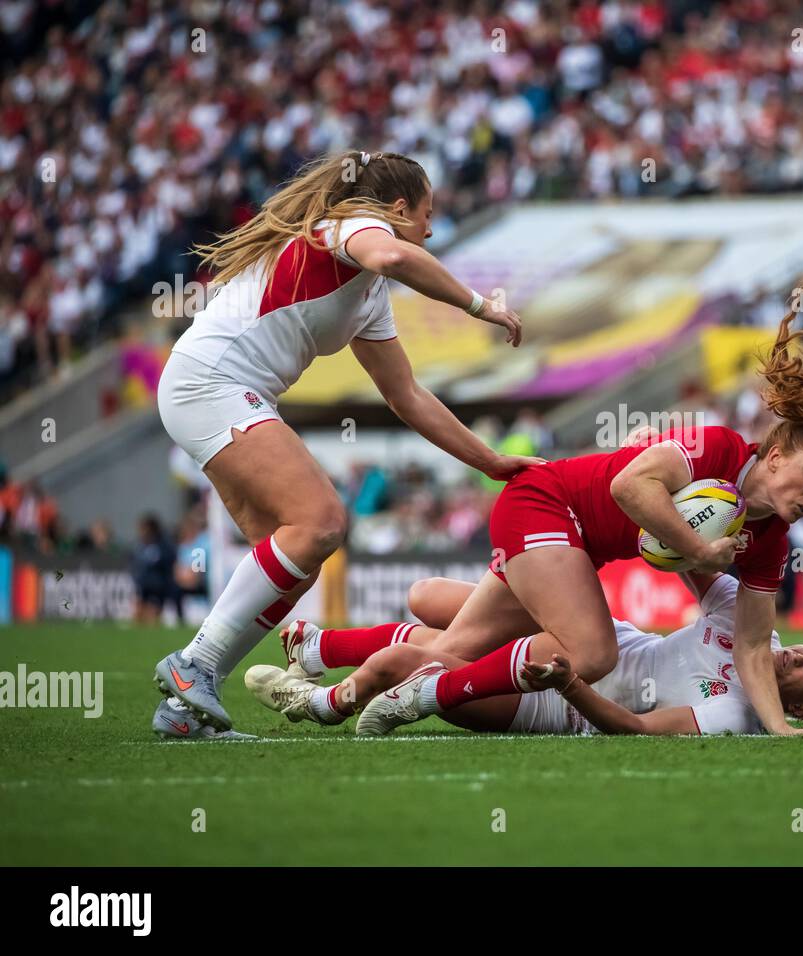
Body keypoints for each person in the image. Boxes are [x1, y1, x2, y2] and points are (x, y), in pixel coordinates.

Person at [355, 273, 803, 736]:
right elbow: (632, 490)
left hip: (576, 599)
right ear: (775, 457)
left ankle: (324, 676)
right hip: (555, 511)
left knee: (442, 638)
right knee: (568, 648)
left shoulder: (769, 549)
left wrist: (778, 729)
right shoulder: (719, 448)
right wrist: (697, 546)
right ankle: (399, 691)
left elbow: (752, 647)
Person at [151, 149, 544, 737]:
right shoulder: (346, 228)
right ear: (396, 208)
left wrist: (490, 461)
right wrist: (480, 305)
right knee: (322, 521)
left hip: (216, 389)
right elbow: (390, 251)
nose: (431, 230)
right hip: (214, 384)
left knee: (296, 555)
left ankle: (184, 709)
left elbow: (407, 396)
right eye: (427, 215)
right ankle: (193, 667)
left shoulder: (369, 295)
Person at [246, 571, 803, 736]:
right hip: (605, 636)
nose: (797, 658)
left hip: (558, 699)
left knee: (403, 667)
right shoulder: (758, 629)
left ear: (802, 711)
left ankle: (320, 699)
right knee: (426, 596)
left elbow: (639, 728)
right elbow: (697, 557)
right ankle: (319, 648)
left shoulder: (738, 714)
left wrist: (568, 687)